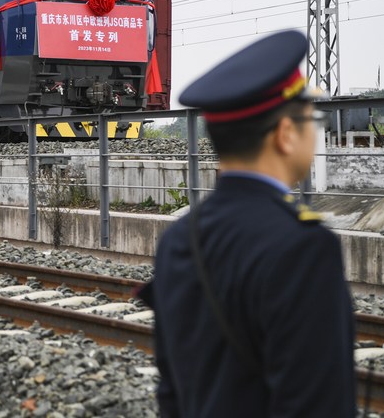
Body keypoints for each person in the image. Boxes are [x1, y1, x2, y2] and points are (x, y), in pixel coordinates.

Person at [139, 30, 355, 417]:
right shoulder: (303, 246)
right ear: (286, 135)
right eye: (311, 117)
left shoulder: (178, 238)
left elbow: (171, 392)